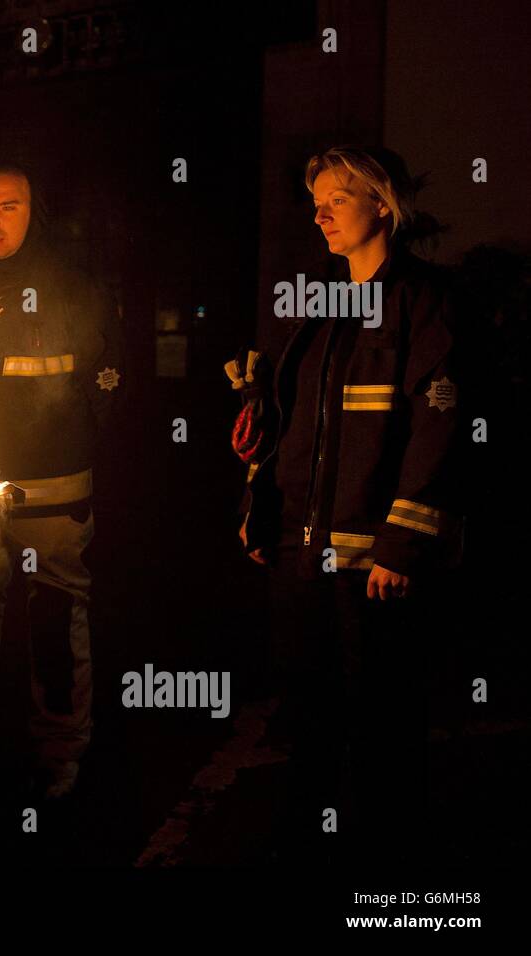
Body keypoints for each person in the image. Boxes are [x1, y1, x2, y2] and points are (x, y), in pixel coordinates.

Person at [236, 146, 462, 864]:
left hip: (374, 571)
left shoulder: (425, 301)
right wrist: (262, 508)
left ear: (383, 204)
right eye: (317, 200)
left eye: (339, 195)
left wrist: (401, 545)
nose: (321, 211)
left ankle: (389, 876)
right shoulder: (322, 306)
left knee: (383, 735)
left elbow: (440, 426)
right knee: (307, 726)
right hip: (306, 563)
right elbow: (300, 426)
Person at [0, 166, 125, 799]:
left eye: (8, 206)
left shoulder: (74, 291)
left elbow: (107, 387)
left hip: (54, 489)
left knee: (54, 614)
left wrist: (64, 448)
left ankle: (59, 752)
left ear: (37, 212)